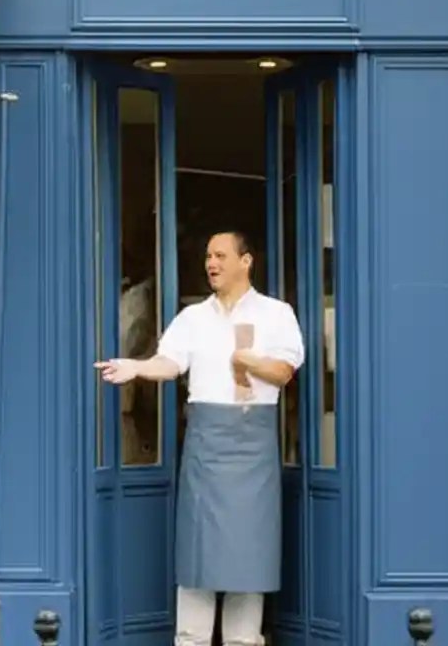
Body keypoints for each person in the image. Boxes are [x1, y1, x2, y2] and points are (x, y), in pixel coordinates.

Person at [95, 230, 305, 646]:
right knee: (198, 556)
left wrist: (249, 360)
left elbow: (284, 372)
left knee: (250, 558)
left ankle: (243, 641)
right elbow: (170, 363)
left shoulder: (277, 313)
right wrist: (136, 368)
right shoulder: (192, 318)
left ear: (246, 262)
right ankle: (189, 640)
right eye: (208, 255)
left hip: (254, 445)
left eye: (221, 255)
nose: (212, 263)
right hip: (206, 447)